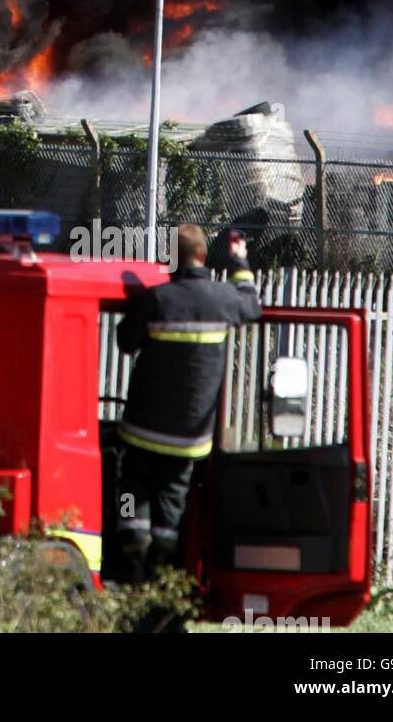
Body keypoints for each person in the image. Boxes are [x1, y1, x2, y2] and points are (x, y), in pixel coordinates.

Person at [114, 222, 261, 582]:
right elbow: (251, 304)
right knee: (172, 503)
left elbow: (125, 342)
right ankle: (160, 572)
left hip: (140, 431)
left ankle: (132, 555)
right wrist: (240, 260)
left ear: (172, 258)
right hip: (188, 440)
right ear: (201, 255)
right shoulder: (223, 299)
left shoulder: (158, 299)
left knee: (129, 491)